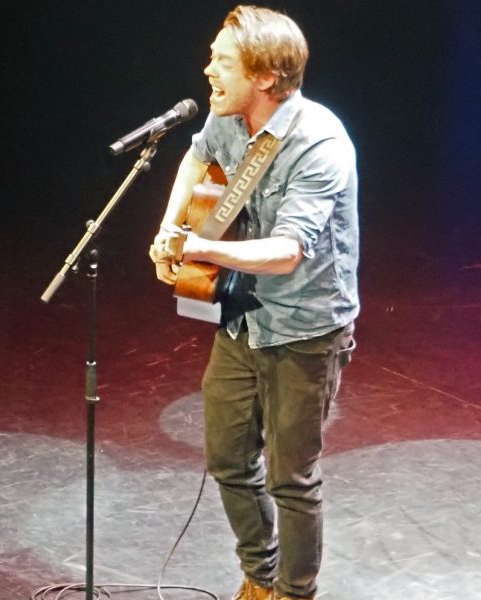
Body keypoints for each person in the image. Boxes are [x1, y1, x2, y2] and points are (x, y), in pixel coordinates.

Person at [149, 6, 359, 600]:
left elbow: (289, 252)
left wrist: (200, 244)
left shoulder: (318, 141)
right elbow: (195, 156)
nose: (207, 68)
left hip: (305, 328)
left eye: (223, 60)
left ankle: (295, 593)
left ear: (266, 76)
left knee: (291, 480)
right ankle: (259, 577)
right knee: (227, 462)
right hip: (244, 321)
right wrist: (172, 230)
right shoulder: (229, 119)